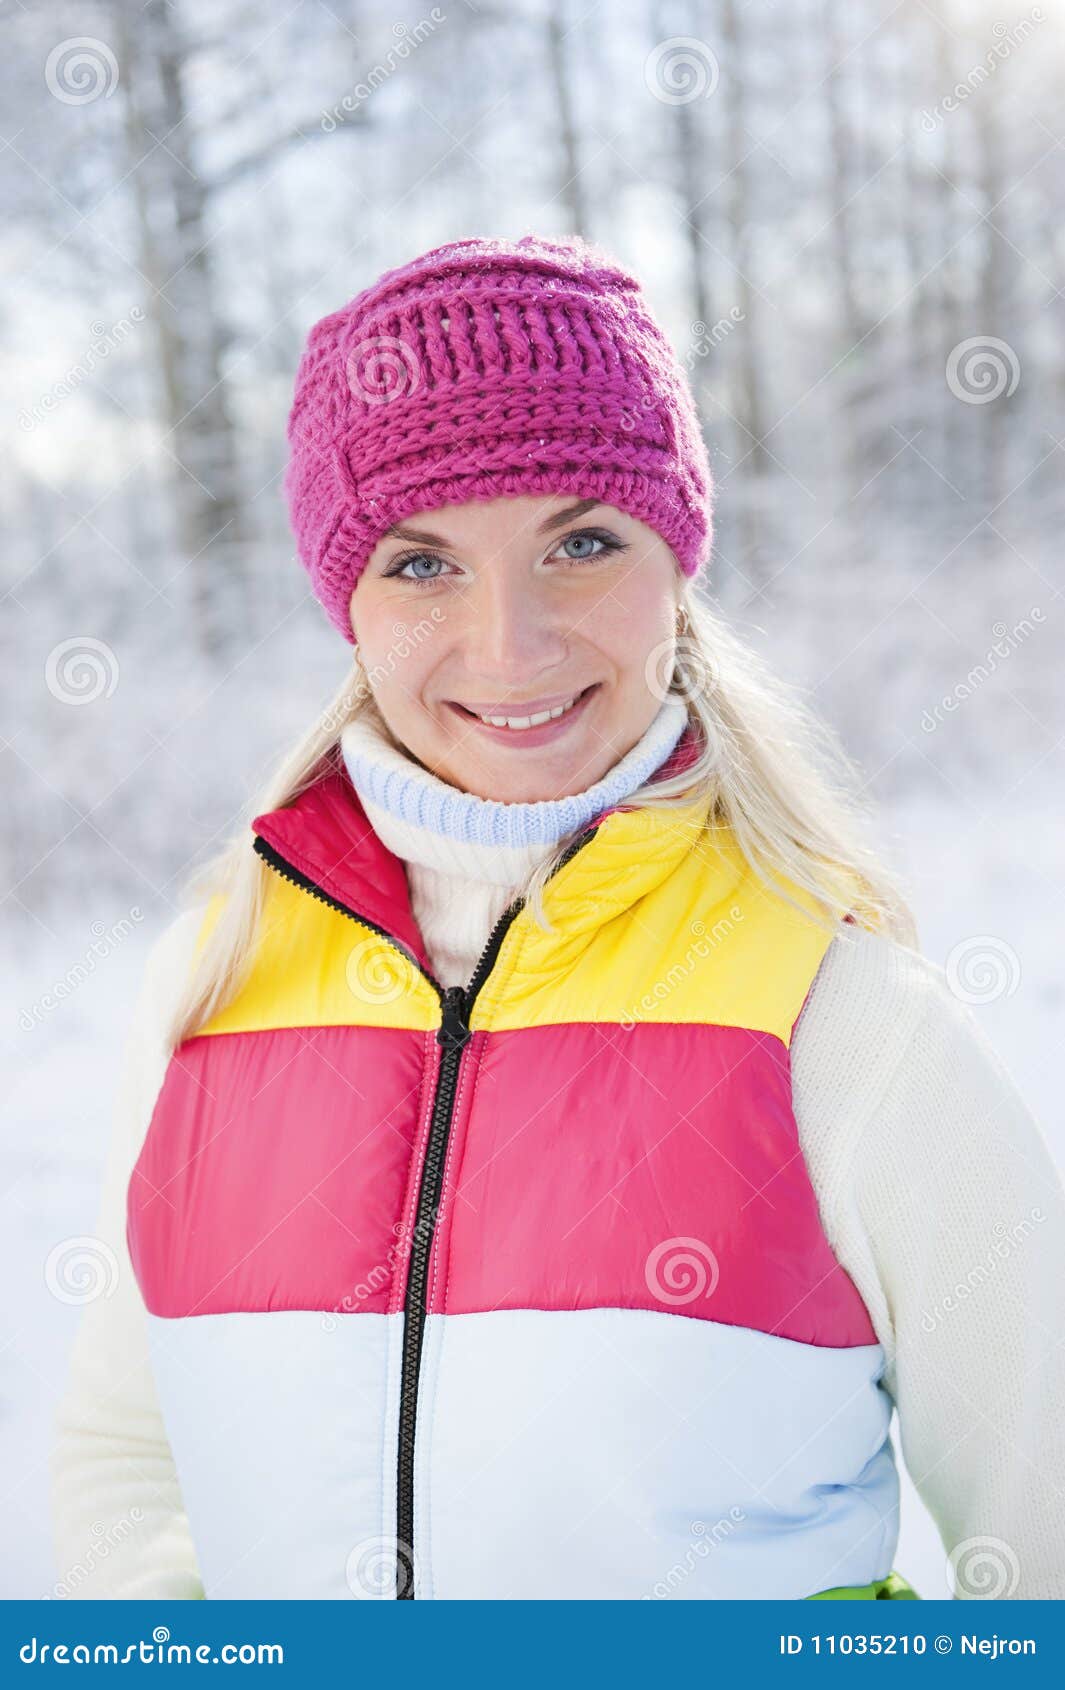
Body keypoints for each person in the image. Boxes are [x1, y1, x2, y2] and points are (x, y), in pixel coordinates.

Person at [50, 235, 1065, 1601]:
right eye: (421, 564)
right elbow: (131, 1457)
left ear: (676, 561)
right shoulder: (213, 984)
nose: (509, 642)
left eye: (579, 542)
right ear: (344, 601)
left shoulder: (841, 1017)